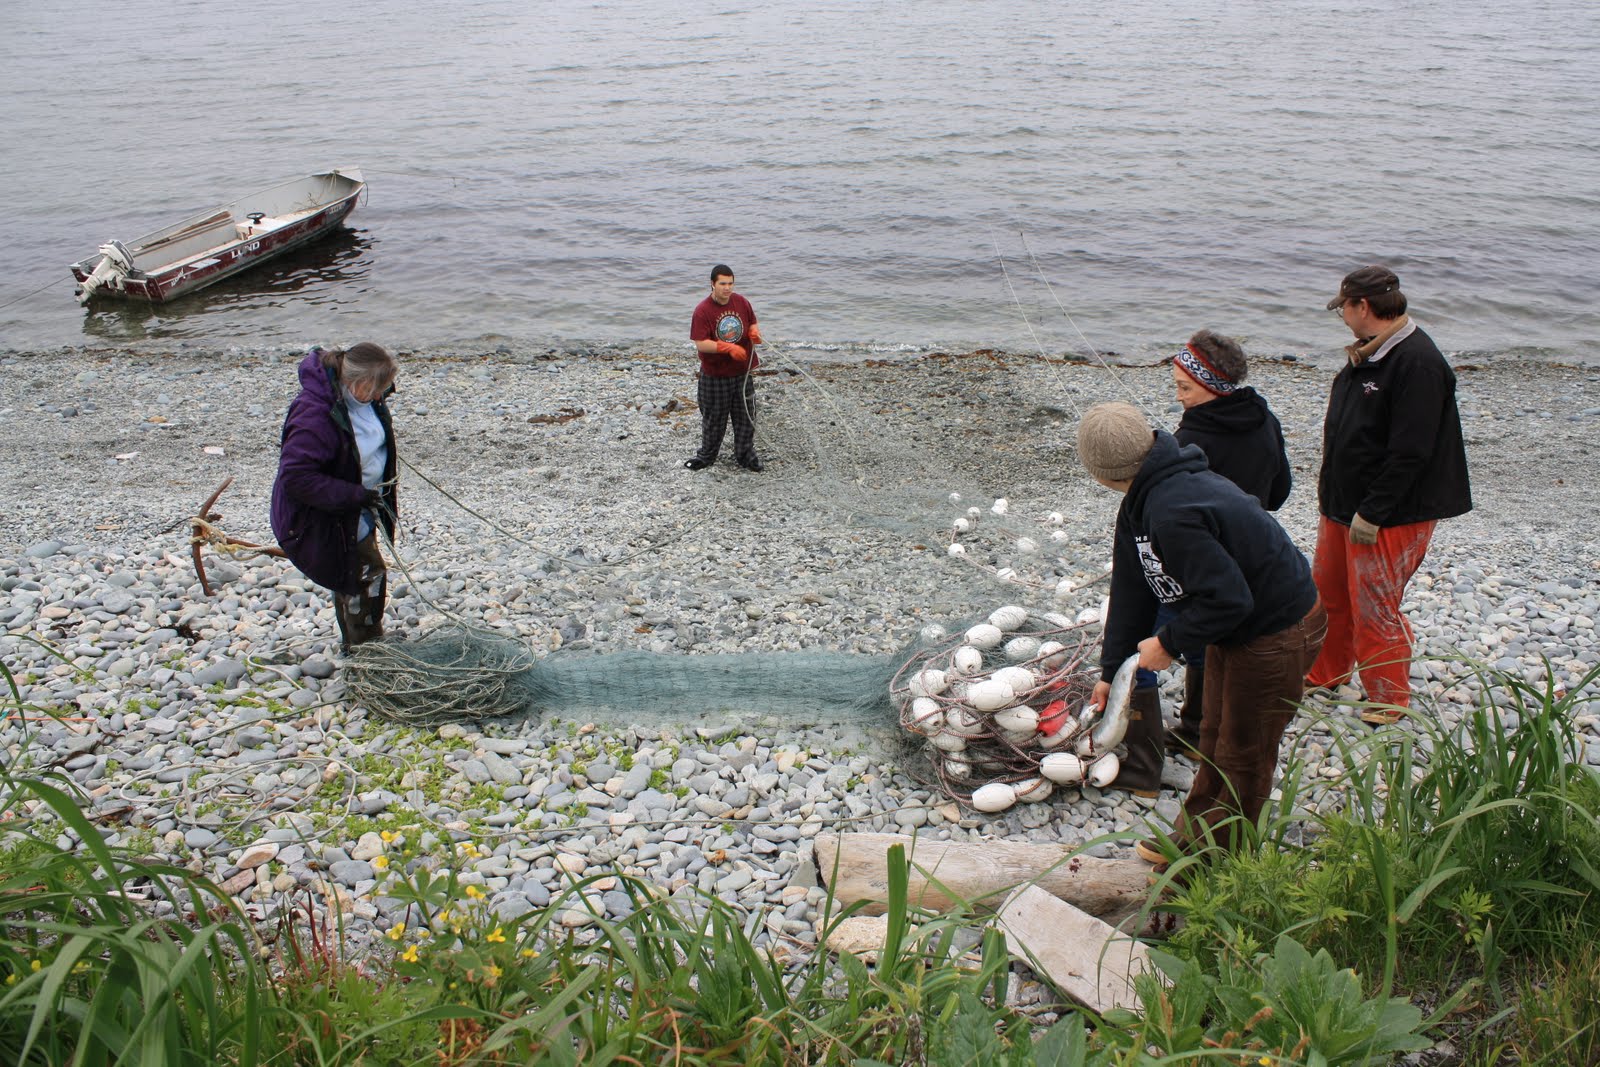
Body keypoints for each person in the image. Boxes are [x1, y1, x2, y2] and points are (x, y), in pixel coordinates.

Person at [1077, 401, 1326, 861]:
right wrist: (1112, 672)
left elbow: (1230, 599)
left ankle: (1217, 862)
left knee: (1244, 750)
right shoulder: (1141, 502)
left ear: (1099, 473)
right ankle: (1199, 836)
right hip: (1238, 626)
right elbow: (1132, 590)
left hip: (1278, 628)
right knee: (1214, 731)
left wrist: (1168, 643)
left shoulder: (1173, 512)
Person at [1306, 266, 1471, 724]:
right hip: (1342, 505)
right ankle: (1328, 671)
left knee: (1374, 603)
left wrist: (1373, 511)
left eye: (1343, 308)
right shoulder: (1370, 354)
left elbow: (1412, 451)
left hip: (1389, 513)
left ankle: (1388, 698)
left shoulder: (1416, 362)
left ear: (1363, 307)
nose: (1341, 316)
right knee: (1329, 593)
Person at [1158, 329, 1293, 751]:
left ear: (1213, 386)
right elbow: (1280, 490)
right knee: (1229, 635)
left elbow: (1173, 512)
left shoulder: (1191, 442)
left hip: (1211, 552)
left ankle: (1196, 729)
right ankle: (1207, 722)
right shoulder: (1263, 416)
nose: (1178, 396)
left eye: (1184, 387)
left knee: (1200, 631)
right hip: (1259, 546)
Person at [270, 343, 400, 651]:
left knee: (350, 572)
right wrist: (354, 495)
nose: (383, 395)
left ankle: (355, 643)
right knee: (364, 576)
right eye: (378, 387)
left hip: (358, 507)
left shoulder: (364, 399)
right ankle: (367, 653)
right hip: (328, 515)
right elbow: (296, 478)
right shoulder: (315, 415)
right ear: (358, 384)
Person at [686, 264, 764, 472]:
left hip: (742, 373)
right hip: (716, 375)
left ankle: (746, 456)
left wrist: (754, 333)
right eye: (722, 284)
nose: (727, 288)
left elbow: (752, 323)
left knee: (746, 416)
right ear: (712, 284)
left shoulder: (741, 302)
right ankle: (707, 456)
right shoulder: (702, 310)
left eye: (730, 283)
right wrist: (727, 347)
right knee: (714, 418)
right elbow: (701, 343)